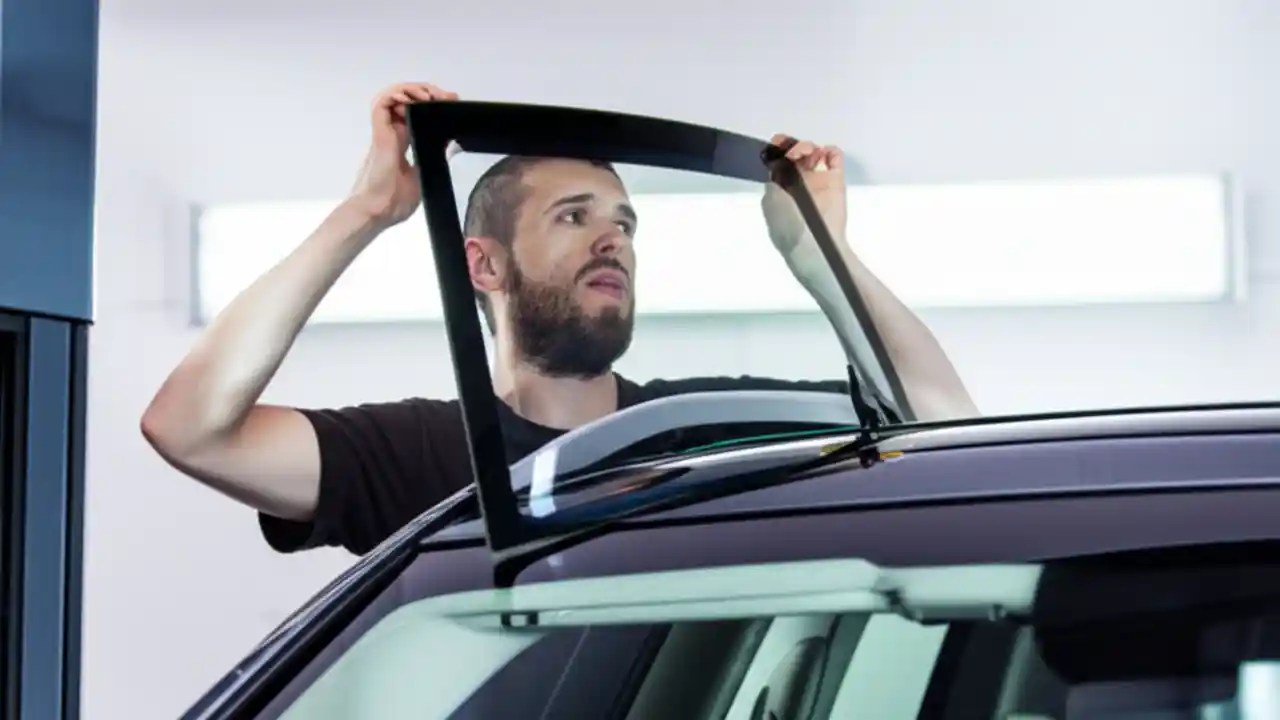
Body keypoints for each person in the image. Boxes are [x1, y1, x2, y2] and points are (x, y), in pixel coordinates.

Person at [141, 81, 977, 556]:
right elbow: (190, 429)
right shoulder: (415, 454)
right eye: (574, 217)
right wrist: (366, 211)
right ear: (485, 265)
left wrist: (819, 255)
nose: (614, 240)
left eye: (624, 224)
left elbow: (942, 427)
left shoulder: (704, 428)